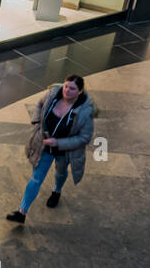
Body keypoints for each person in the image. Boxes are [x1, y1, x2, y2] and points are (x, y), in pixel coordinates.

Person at [7, 74, 95, 224]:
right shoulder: (53, 94)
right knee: (36, 178)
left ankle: (57, 190)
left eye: (72, 88)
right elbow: (40, 104)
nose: (67, 90)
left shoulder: (85, 111)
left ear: (80, 91)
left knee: (60, 172)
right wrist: (36, 122)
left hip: (65, 150)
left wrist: (58, 143)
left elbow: (84, 137)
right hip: (44, 146)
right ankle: (22, 211)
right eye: (66, 86)